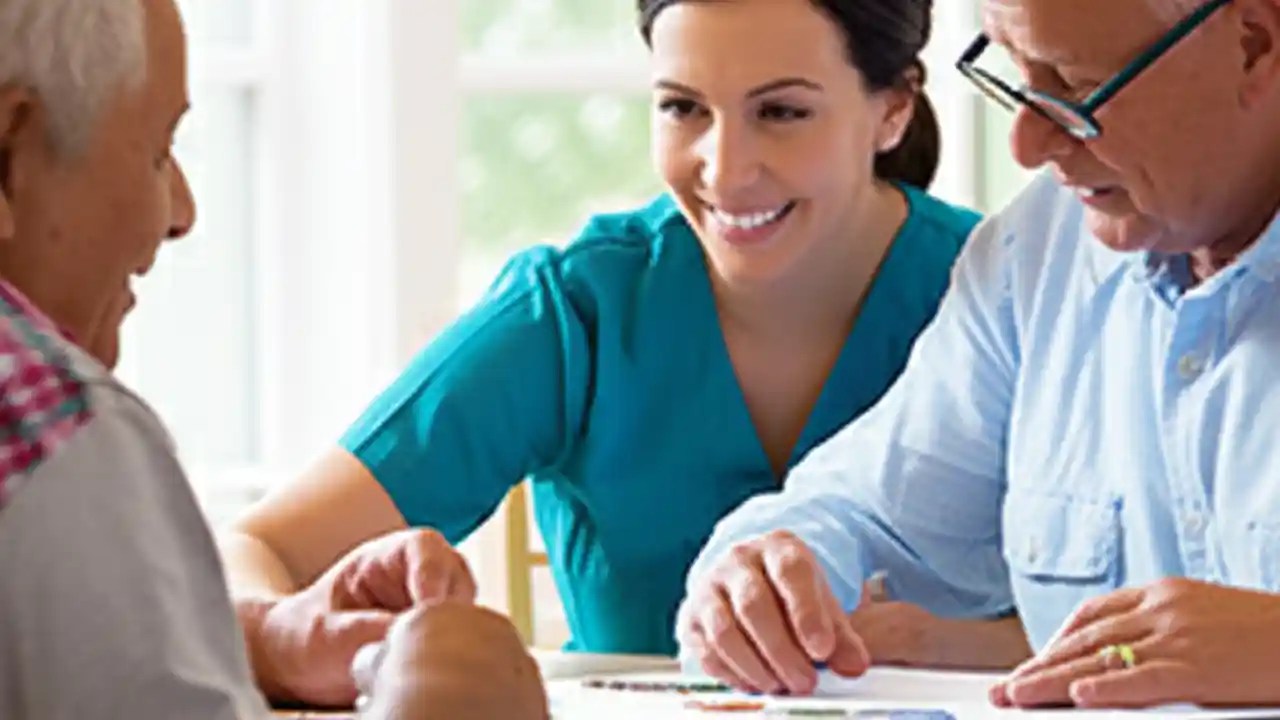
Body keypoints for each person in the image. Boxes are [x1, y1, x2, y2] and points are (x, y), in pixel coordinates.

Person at [219, 0, 1035, 704]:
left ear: (893, 108)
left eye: (781, 112)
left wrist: (945, 645)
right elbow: (248, 555)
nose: (725, 167)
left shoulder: (1013, 296)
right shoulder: (579, 312)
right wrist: (296, 635)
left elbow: (1147, 608)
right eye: (684, 108)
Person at [677, 0, 1280, 709]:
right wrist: (762, 578)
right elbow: (862, 509)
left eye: (1078, 89)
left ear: (1252, 45)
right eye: (1019, 77)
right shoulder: (1037, 253)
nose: (1025, 144)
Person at [0, 0, 544, 717]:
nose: (181, 213)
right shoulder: (57, 431)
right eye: (160, 149)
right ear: (8, 154)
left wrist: (262, 639)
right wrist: (439, 703)